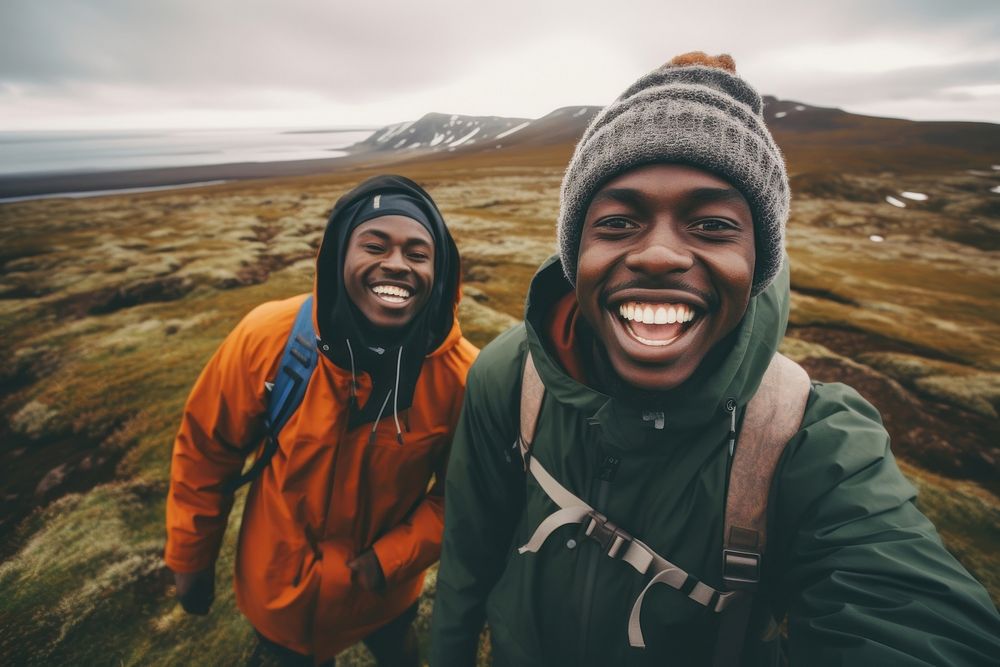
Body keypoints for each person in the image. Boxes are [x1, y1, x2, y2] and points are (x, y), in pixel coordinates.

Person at [429, 53, 1000, 666]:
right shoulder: (511, 374)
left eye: (712, 225)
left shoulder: (814, 437)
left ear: (760, 263)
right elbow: (469, 555)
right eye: (618, 222)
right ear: (575, 253)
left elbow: (906, 615)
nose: (658, 256)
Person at [165, 174, 477, 666]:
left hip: (387, 594)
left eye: (419, 254)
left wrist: (389, 560)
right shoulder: (267, 338)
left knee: (401, 652)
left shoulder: (462, 378)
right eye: (374, 245)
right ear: (338, 256)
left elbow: (467, 492)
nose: (396, 264)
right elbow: (208, 449)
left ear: (440, 272)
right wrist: (190, 558)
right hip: (280, 594)